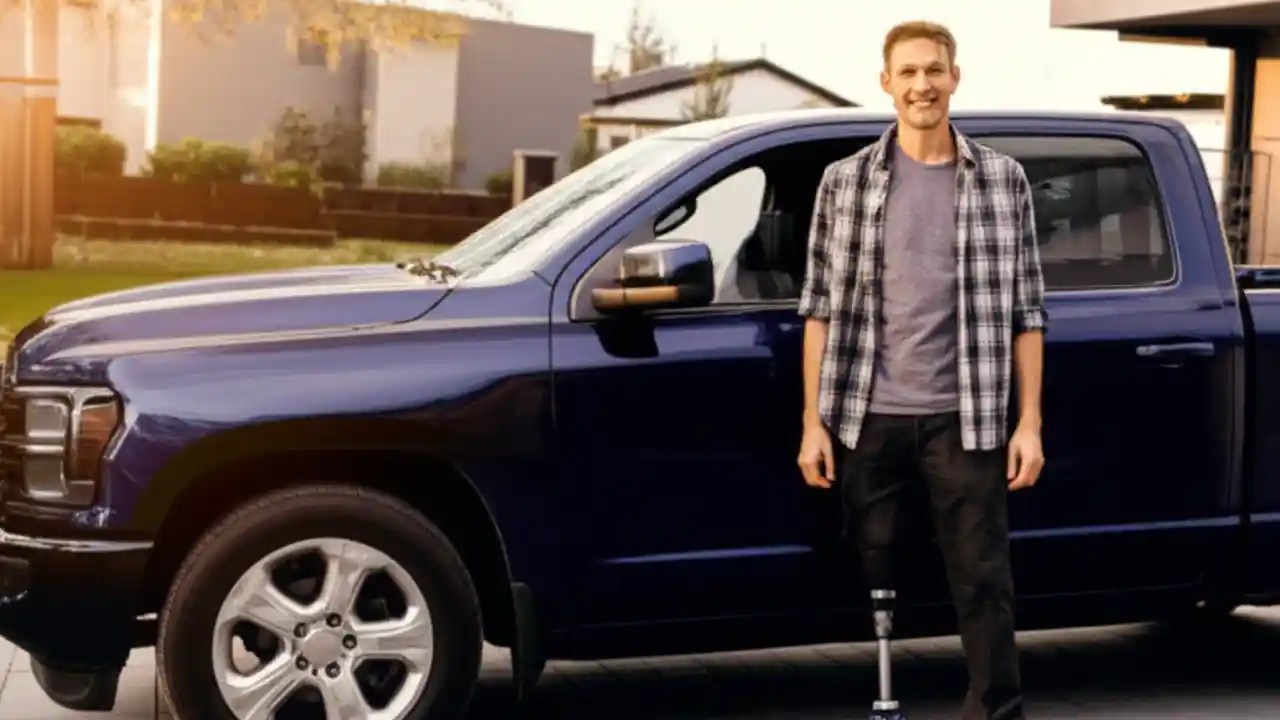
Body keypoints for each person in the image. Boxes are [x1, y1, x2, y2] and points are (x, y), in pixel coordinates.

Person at [795, 20, 1047, 720]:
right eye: (907, 73)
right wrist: (812, 422)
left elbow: (1028, 311)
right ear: (886, 83)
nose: (921, 85)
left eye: (933, 70)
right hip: (865, 413)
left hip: (966, 415)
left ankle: (994, 709)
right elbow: (818, 307)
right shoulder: (843, 183)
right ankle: (878, 696)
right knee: (870, 564)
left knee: (983, 577)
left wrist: (1029, 424)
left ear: (954, 78)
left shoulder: (1002, 181)